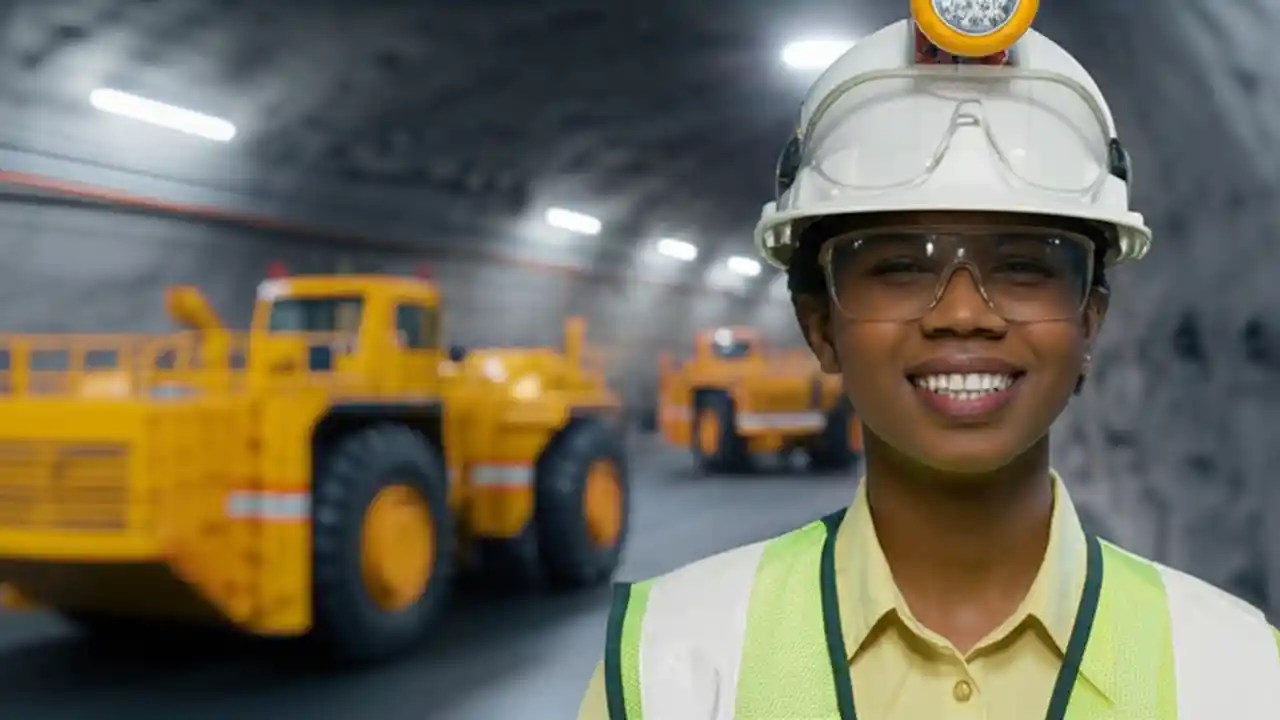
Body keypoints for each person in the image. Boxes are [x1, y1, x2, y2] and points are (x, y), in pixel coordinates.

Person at [578, 7, 1280, 720]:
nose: (964, 312)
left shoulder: (1237, 671)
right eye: (901, 267)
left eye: (1023, 266)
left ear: (1088, 322)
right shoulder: (671, 667)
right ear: (819, 324)